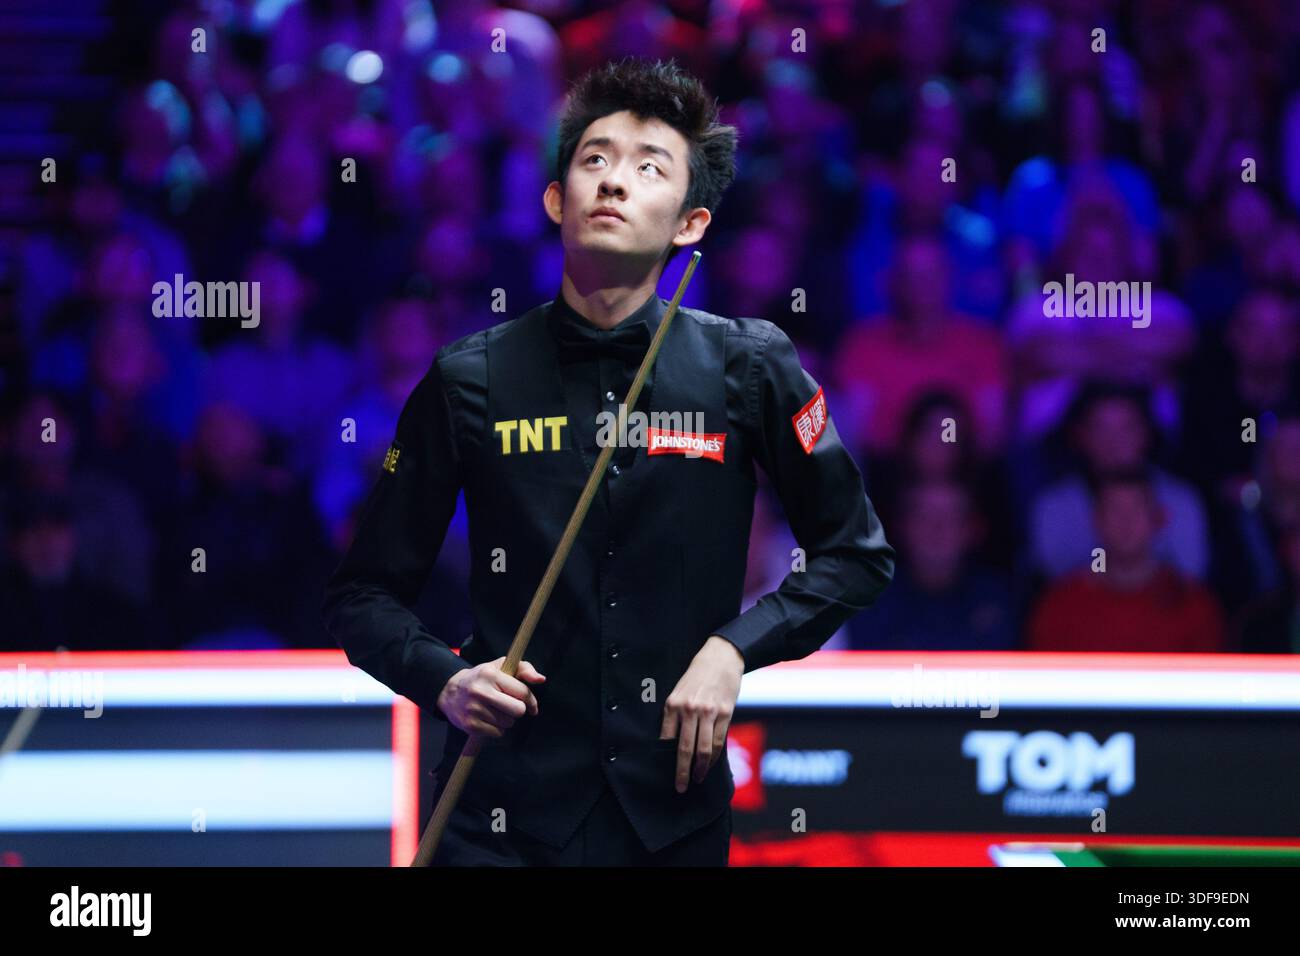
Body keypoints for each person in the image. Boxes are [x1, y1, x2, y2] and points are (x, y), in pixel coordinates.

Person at [322, 58, 894, 866]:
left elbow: (856, 557)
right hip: (501, 820)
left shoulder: (751, 367)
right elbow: (362, 595)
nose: (614, 183)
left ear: (690, 223)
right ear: (557, 201)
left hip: (672, 824)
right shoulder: (469, 378)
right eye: (594, 161)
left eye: (649, 167)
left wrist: (736, 649)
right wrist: (442, 680)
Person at [1027, 472, 1223, 653]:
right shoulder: (1061, 606)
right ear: (1096, 520)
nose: (1125, 522)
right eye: (1114, 510)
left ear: (1157, 520)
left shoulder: (1193, 605)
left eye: (1136, 509)